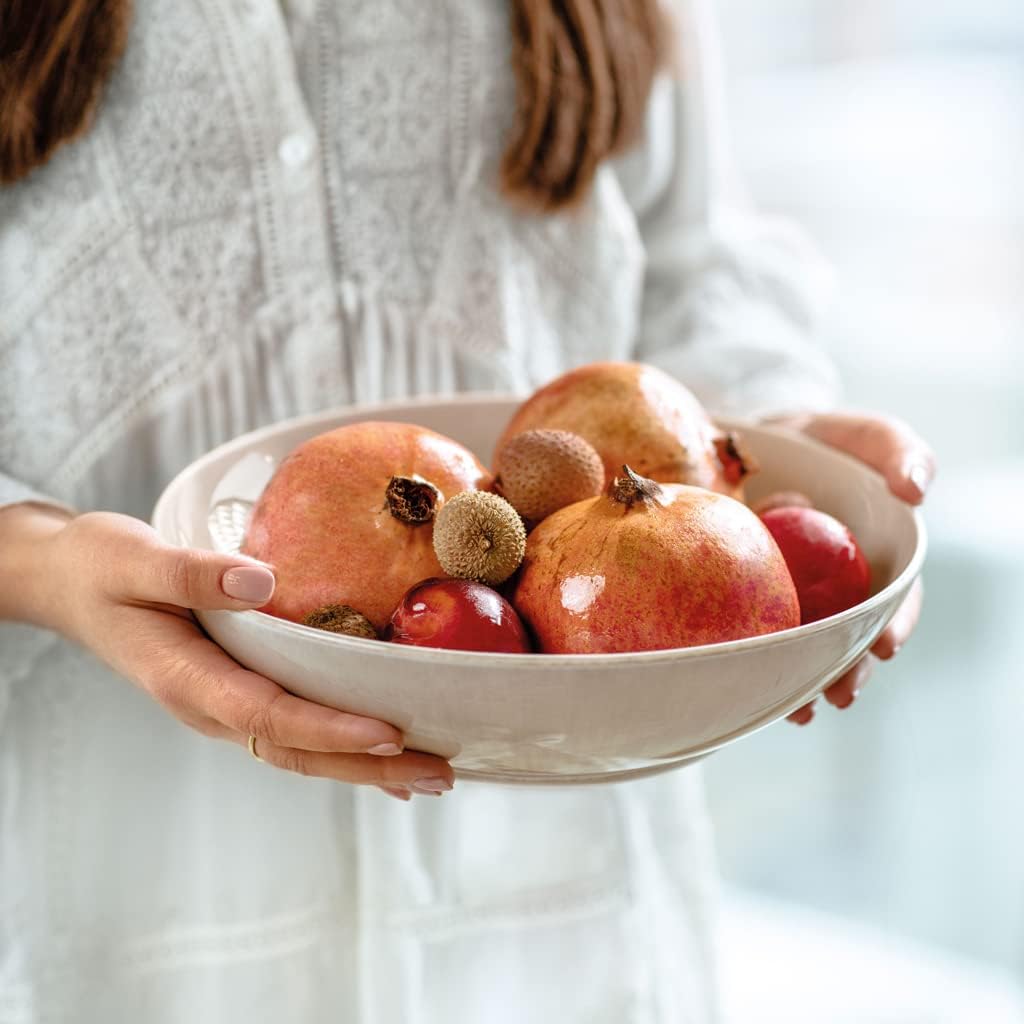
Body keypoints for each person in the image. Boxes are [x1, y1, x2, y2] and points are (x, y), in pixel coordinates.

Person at [0, 0, 934, 1020]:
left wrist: (774, 432)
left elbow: (687, 263)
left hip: (569, 898)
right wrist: (43, 561)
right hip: (130, 871)